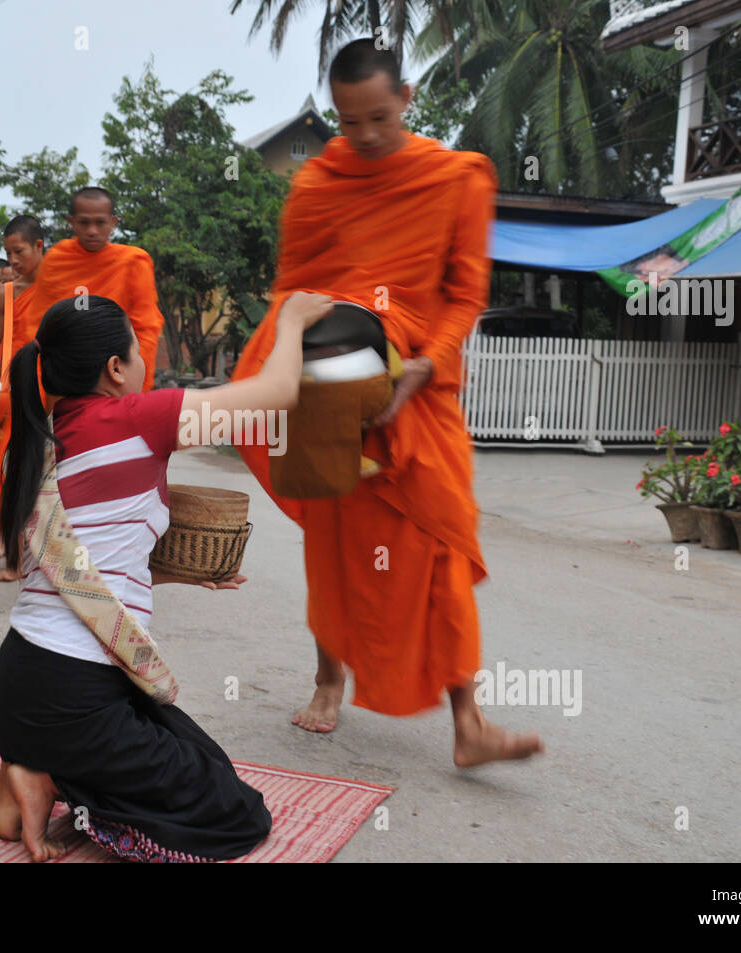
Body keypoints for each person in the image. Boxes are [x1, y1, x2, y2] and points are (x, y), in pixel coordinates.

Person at [231, 39, 544, 767]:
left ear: (406, 97)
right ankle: (327, 681)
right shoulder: (316, 185)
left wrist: (421, 366)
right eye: (348, 122)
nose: (365, 136)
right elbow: (292, 289)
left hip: (421, 390)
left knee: (444, 544)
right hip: (335, 384)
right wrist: (321, 354)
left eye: (378, 116)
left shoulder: (456, 178)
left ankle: (469, 723)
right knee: (336, 543)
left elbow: (465, 294)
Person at [0, 290, 334, 862]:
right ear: (116, 369)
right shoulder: (140, 416)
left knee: (202, 757)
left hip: (20, 682)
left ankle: (29, 765)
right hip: (75, 695)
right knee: (236, 813)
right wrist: (292, 317)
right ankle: (46, 775)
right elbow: (276, 396)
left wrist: (176, 577)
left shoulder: (45, 437)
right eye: (137, 351)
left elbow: (82, 565)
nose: (145, 362)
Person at [22, 187, 165, 391]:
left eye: (100, 222)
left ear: (113, 223)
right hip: (65, 376)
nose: (92, 231)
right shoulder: (56, 260)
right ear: (71, 222)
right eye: (84, 222)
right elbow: (39, 325)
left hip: (114, 374)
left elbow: (146, 328)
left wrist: (134, 385)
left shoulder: (132, 262)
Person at [0, 215, 46, 580]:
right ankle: (14, 552)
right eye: (8, 252)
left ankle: (34, 555)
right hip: (16, 388)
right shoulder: (10, 293)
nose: (12, 260)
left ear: (39, 246)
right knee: (4, 474)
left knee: (44, 476)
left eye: (18, 251)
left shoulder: (66, 286)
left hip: (52, 391)